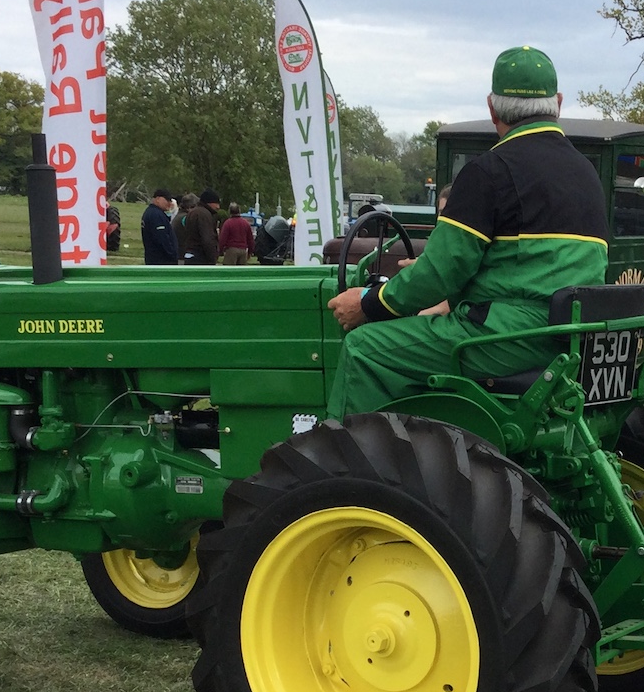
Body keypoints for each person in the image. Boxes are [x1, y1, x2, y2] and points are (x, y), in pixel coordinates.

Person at [324, 45, 606, 419]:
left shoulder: (489, 171)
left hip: (507, 339)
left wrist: (369, 303)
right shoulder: (587, 173)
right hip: (570, 334)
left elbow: (442, 272)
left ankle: (347, 454)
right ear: (558, 103)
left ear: (492, 109)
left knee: (363, 348)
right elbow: (530, 266)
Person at [141, 188, 179, 265]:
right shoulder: (156, 215)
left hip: (153, 259)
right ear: (158, 199)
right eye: (167, 200)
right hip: (161, 261)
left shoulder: (151, 212)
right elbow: (162, 238)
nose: (170, 203)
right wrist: (172, 254)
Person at [217, 201, 255, 265]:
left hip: (231, 250)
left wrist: (220, 251)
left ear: (230, 211)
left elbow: (223, 238)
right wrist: (250, 252)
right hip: (243, 251)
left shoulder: (228, 223)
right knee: (241, 271)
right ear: (239, 211)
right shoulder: (246, 223)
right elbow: (250, 239)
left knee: (229, 270)